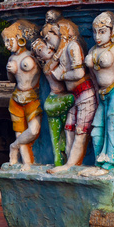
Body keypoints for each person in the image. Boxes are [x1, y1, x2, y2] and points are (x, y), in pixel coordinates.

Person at [42, 10, 96, 173]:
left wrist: (63, 73)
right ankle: (71, 163)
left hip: (85, 93)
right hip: (76, 95)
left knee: (80, 131)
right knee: (69, 128)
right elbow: (50, 70)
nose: (49, 42)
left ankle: (70, 165)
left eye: (54, 34)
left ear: (63, 34)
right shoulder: (64, 49)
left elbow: (79, 73)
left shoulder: (73, 46)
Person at [84, 11, 114, 174]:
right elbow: (93, 76)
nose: (97, 36)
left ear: (112, 31)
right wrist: (98, 95)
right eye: (95, 31)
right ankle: (100, 163)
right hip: (103, 95)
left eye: (102, 31)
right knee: (97, 131)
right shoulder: (93, 49)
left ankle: (111, 164)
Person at [2, 20, 42, 167]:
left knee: (33, 130)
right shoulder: (12, 58)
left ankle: (13, 146)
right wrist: (11, 72)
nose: (7, 45)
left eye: (9, 41)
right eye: (5, 42)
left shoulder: (33, 55)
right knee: (19, 131)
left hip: (32, 96)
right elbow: (12, 80)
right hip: (17, 97)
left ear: (19, 38)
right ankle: (26, 162)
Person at [31, 37, 74, 167]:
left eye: (46, 46)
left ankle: (63, 160)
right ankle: (60, 161)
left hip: (58, 101)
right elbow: (58, 57)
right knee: (57, 137)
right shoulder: (48, 66)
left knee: (61, 134)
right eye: (40, 49)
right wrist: (65, 41)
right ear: (39, 57)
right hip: (56, 100)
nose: (48, 48)